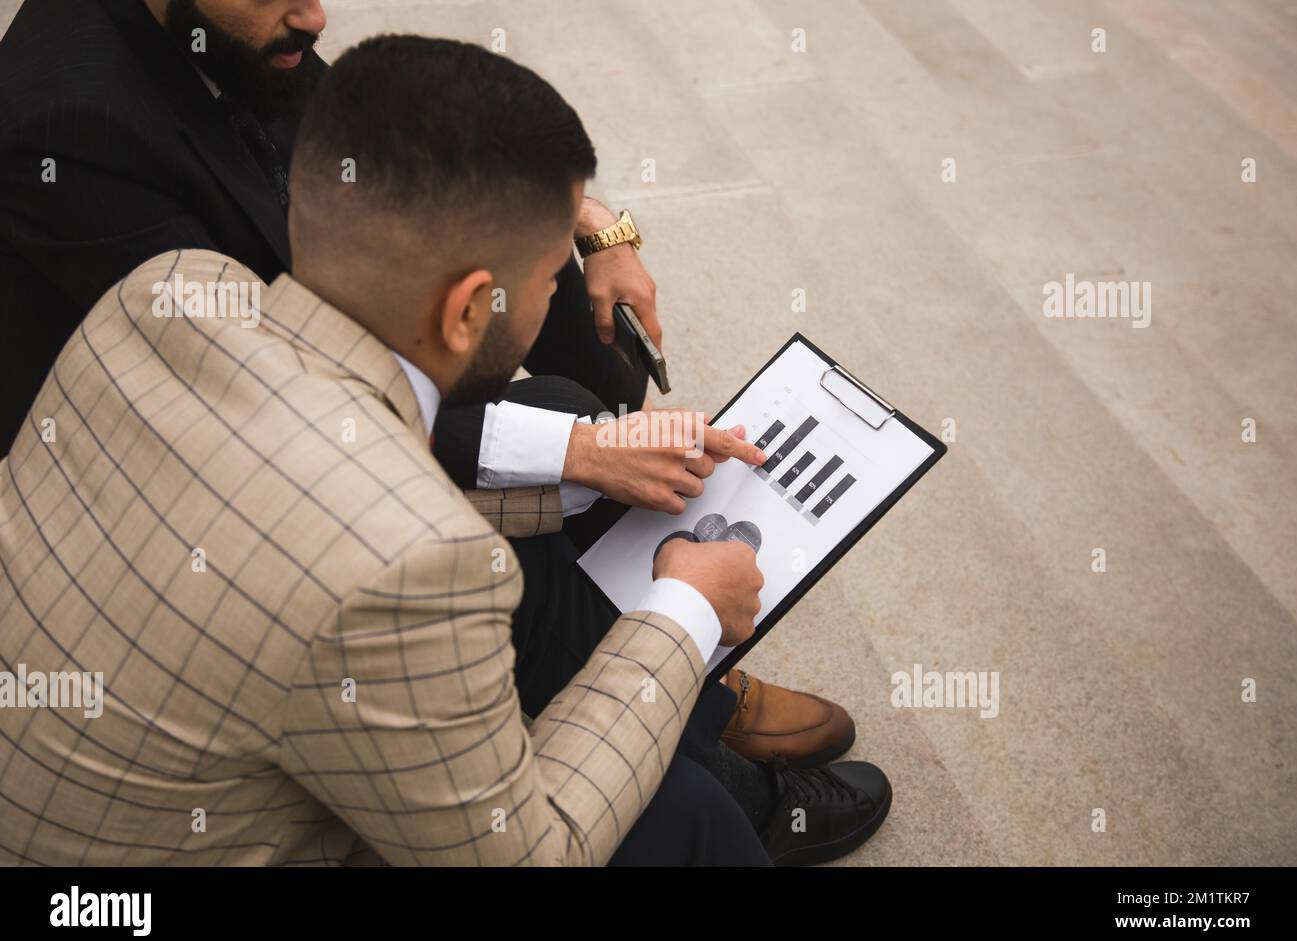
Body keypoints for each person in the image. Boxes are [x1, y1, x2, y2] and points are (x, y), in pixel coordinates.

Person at [0, 34, 891, 865]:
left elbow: (309, 519)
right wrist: (684, 614)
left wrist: (579, 475)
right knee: (683, 821)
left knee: (551, 505)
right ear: (468, 309)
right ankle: (721, 787)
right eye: (549, 278)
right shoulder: (416, 568)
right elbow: (523, 852)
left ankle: (703, 745)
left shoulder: (175, 288)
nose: (554, 295)